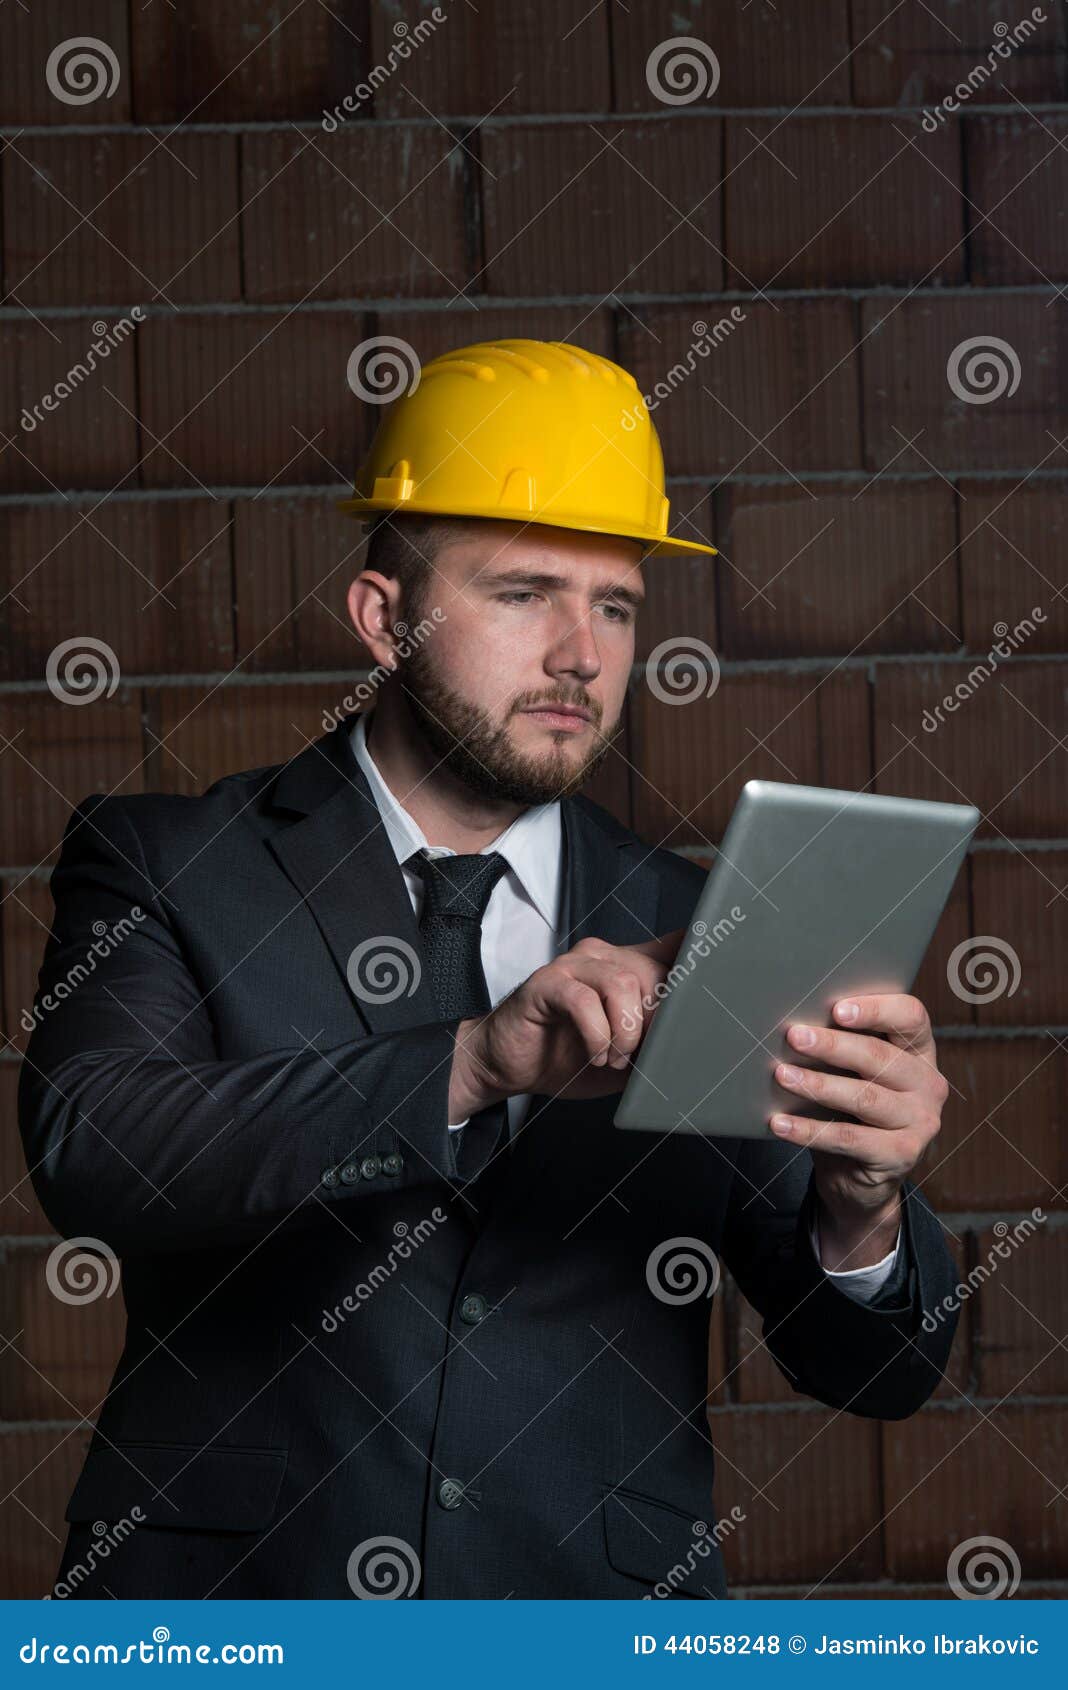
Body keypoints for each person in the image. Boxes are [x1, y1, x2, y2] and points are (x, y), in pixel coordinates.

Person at [19, 339, 959, 1600]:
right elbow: (96, 1149)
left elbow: (876, 1372)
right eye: (524, 593)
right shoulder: (171, 861)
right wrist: (471, 1061)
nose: (582, 651)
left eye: (616, 605)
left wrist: (864, 1205)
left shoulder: (700, 919)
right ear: (383, 618)